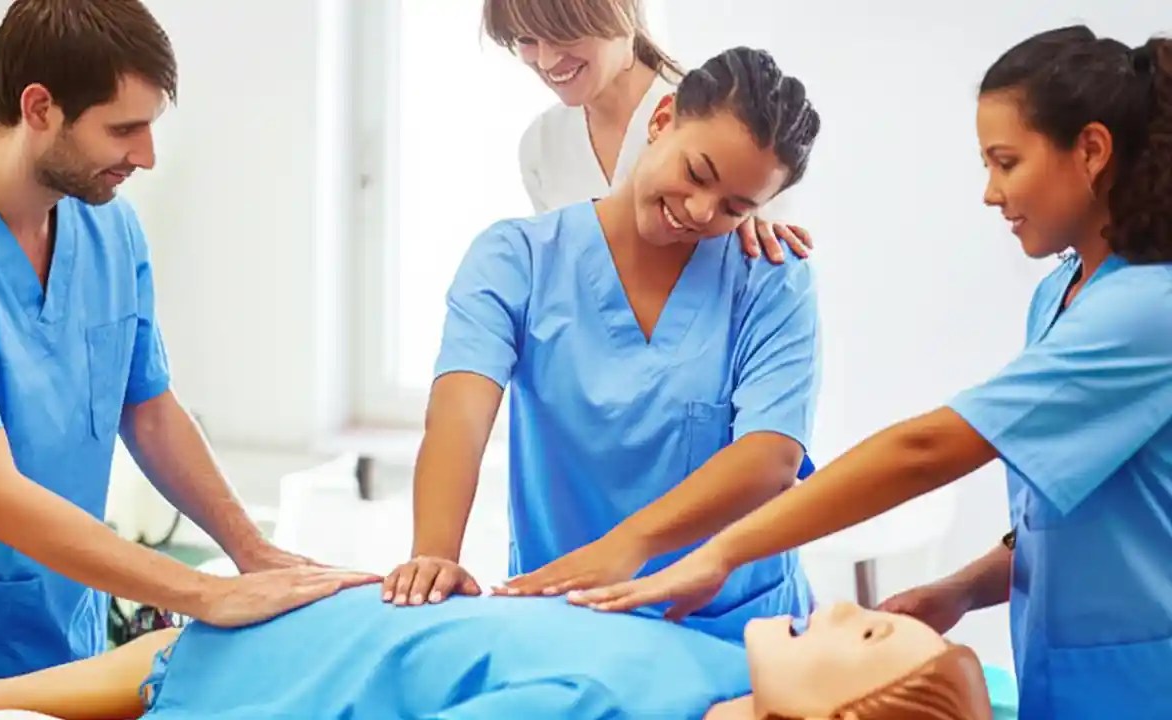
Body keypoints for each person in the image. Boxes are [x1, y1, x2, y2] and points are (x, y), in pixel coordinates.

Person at [570, 26, 1172, 720]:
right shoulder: (1061, 296)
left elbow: (927, 450)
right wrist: (962, 590)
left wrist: (719, 552)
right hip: (1062, 676)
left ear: (1091, 151)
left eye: (1006, 162)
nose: (988, 192)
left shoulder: (1146, 310)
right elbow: (1068, 519)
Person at [0, 0, 377, 681]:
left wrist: (251, 551)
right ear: (39, 108)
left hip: (72, 634)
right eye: (124, 129)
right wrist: (206, 594)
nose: (146, 157)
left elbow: (147, 408)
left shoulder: (107, 230)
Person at [380, 44, 823, 645]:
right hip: (568, 616)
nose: (698, 210)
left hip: (738, 628)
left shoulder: (769, 276)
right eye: (696, 174)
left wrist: (626, 549)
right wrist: (434, 555)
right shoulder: (517, 260)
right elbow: (460, 412)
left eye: (734, 206)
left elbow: (769, 458)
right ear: (662, 119)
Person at [0, 591, 999, 719]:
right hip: (286, 641)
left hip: (281, 670)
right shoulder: (718, 668)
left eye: (862, 639)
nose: (847, 610)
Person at [483, 0, 815, 264]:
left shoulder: (714, 124)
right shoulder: (540, 145)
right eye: (526, 39)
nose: (546, 59)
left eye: (562, 32)